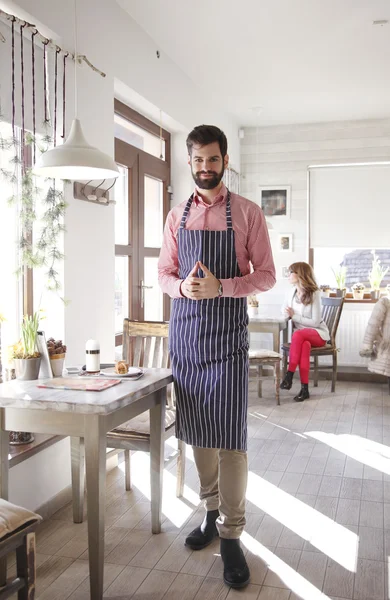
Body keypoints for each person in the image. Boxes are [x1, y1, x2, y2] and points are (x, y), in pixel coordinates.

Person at [158, 124, 275, 588]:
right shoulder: (174, 217)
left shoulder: (247, 214)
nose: (205, 168)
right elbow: (165, 272)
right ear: (189, 162)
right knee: (198, 433)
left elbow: (264, 275)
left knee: (230, 438)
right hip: (186, 337)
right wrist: (182, 286)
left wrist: (223, 286)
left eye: (213, 159)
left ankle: (231, 535)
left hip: (227, 340)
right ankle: (209, 513)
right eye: (198, 161)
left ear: (225, 160)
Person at [280, 262, 330, 401]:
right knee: (304, 346)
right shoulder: (290, 293)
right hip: (301, 338)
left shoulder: (314, 294)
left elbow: (315, 322)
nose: (288, 275)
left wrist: (294, 316)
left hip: (318, 333)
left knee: (298, 334)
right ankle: (304, 389)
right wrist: (287, 314)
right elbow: (284, 311)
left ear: (300, 274)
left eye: (291, 272)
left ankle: (289, 375)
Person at [360, 295, 390, 385]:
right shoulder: (385, 302)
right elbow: (373, 325)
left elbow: (373, 325)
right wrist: (367, 346)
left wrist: (367, 346)